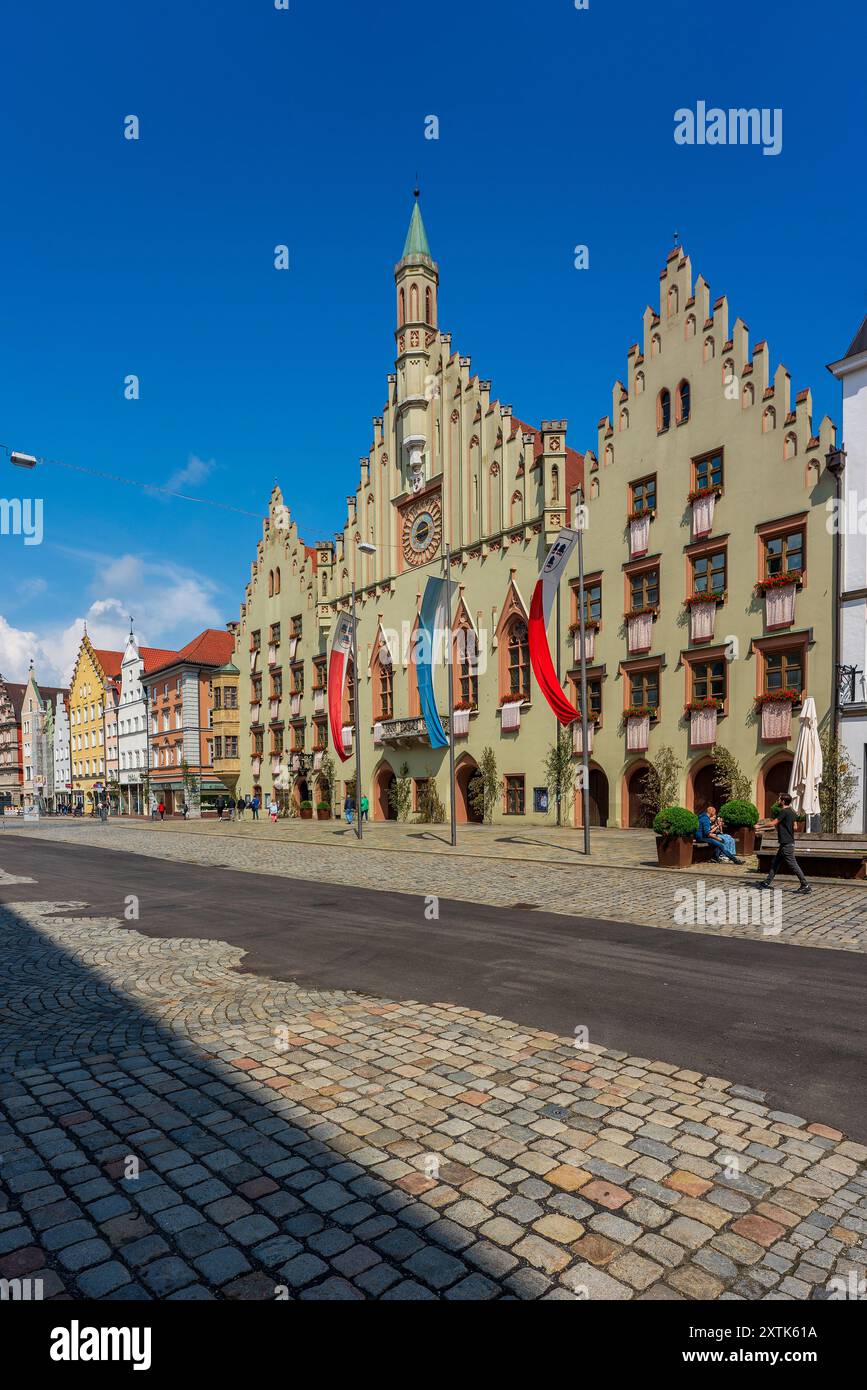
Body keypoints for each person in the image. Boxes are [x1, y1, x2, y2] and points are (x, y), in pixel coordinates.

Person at [758, 793, 811, 894]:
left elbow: (773, 823)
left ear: (783, 801)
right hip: (786, 842)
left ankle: (805, 885)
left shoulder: (784, 811)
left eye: (779, 799)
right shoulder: (792, 812)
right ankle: (766, 882)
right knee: (776, 863)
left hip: (787, 843)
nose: (778, 800)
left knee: (793, 865)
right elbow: (795, 827)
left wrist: (759, 826)